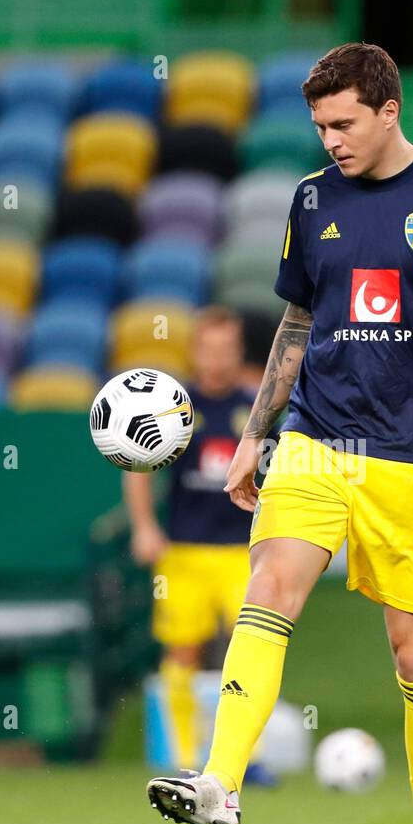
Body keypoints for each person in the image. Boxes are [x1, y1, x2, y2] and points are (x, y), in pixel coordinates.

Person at [147, 42, 413, 824]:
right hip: (317, 441)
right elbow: (296, 324)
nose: (330, 141)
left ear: (389, 110)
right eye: (320, 125)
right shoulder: (311, 199)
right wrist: (256, 432)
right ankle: (220, 781)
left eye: (344, 123)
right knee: (270, 584)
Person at [124, 306, 259, 776]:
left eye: (227, 349)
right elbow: (137, 467)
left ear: (238, 352)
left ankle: (243, 760)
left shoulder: (257, 407)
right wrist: (144, 526)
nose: (217, 359)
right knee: (183, 651)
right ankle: (183, 760)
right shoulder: (173, 410)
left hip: (244, 552)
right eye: (209, 349)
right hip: (183, 551)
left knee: (252, 648)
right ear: (195, 352)